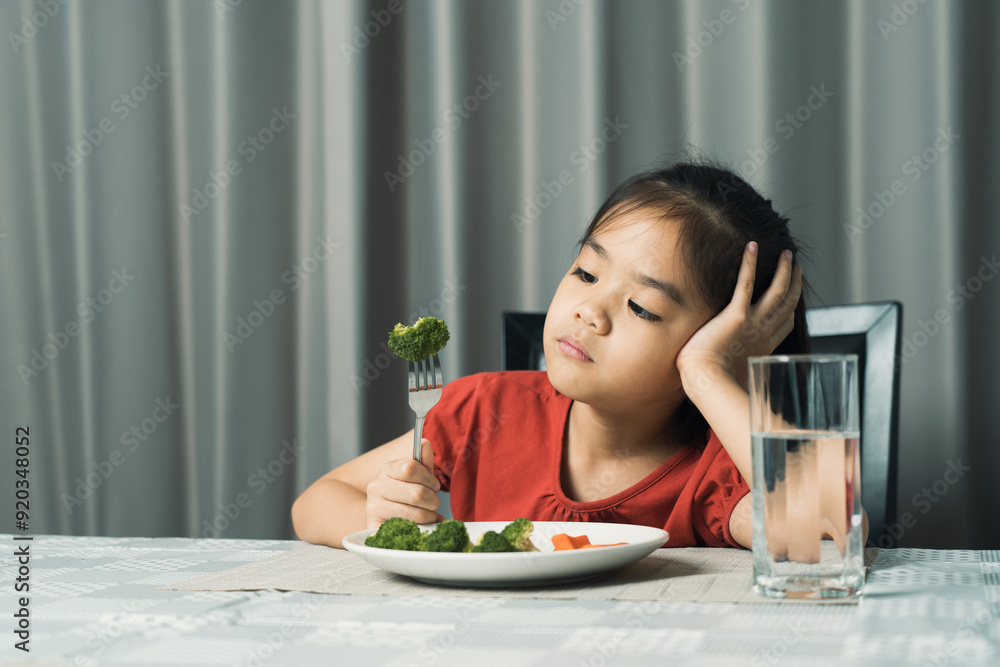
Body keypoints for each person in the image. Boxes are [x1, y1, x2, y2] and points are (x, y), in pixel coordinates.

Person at [292, 160, 869, 549]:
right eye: (586, 272)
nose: (589, 311)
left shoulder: (716, 474)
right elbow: (314, 503)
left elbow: (826, 534)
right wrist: (381, 524)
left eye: (643, 308)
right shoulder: (484, 411)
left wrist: (708, 371)